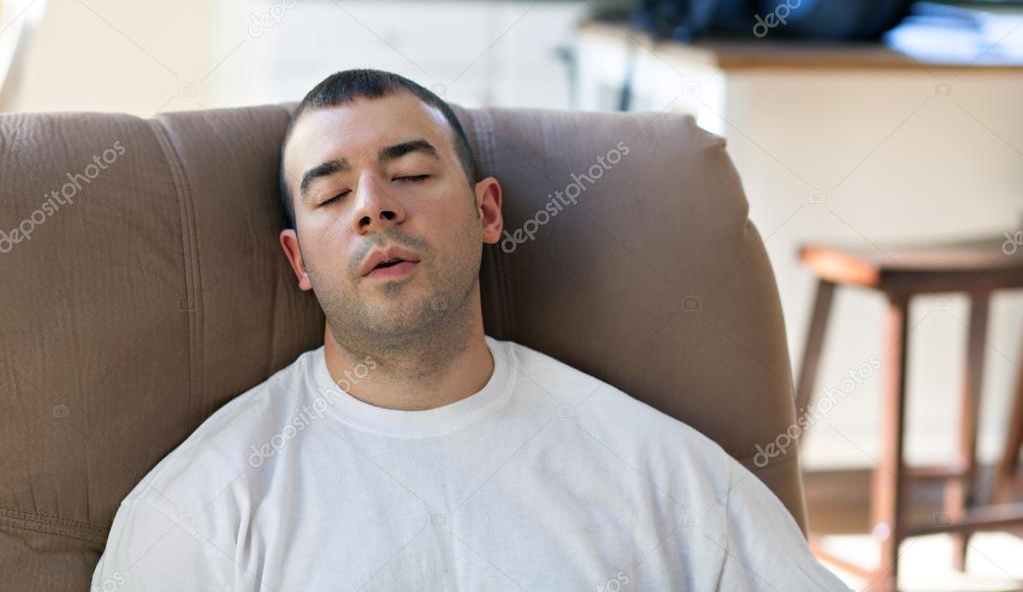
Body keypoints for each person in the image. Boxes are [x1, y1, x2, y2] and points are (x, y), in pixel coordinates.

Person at [91, 69, 850, 591]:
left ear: (488, 212)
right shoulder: (202, 506)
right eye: (329, 194)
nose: (373, 207)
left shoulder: (660, 474)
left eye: (411, 174)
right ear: (298, 259)